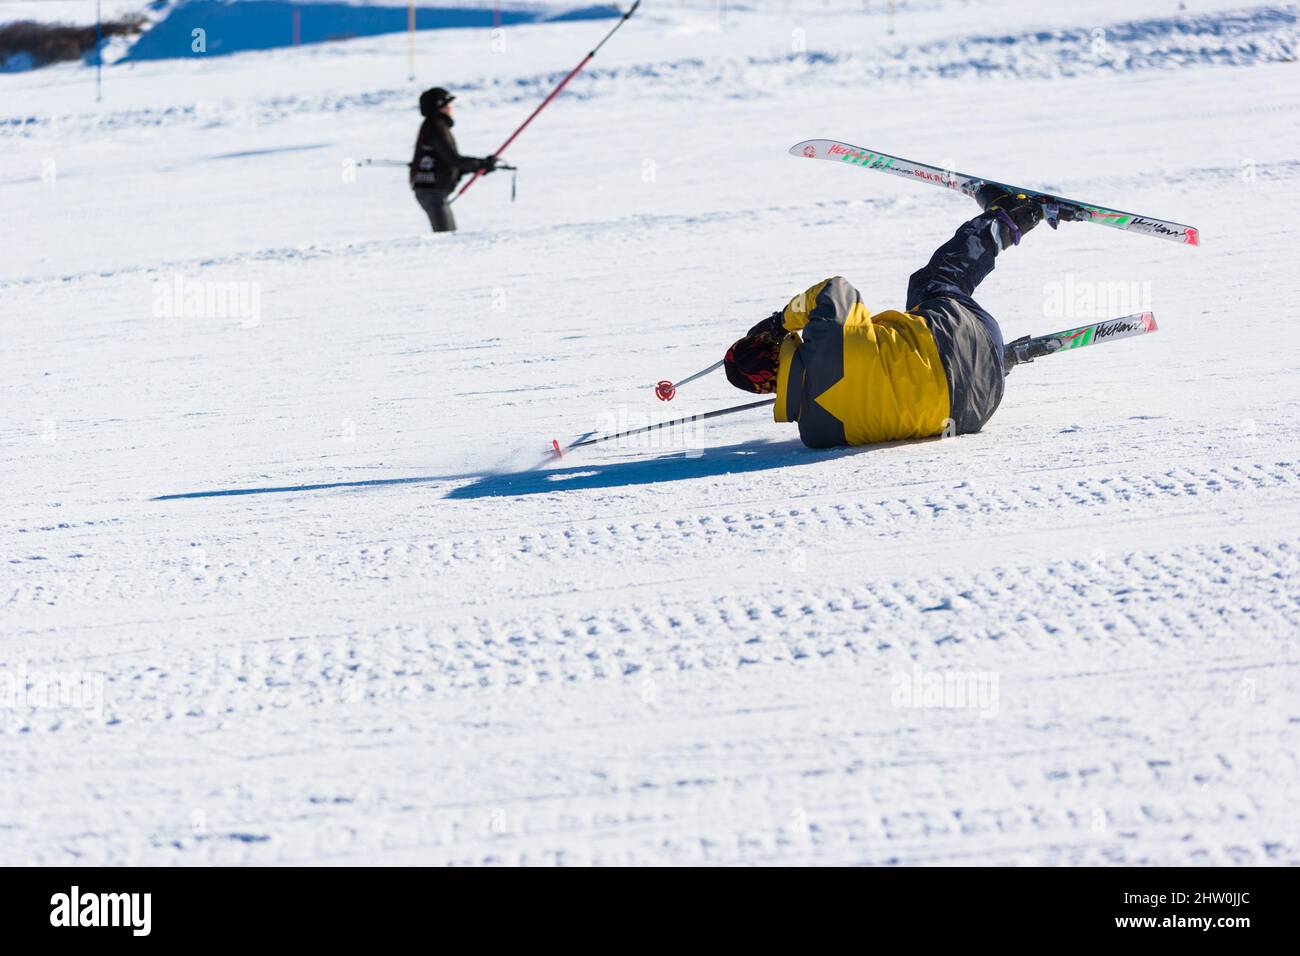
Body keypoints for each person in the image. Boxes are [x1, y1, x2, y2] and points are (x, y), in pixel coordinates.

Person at [722, 187, 1047, 448]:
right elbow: (835, 289)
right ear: (774, 346)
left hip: (977, 408)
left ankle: (996, 361)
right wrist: (781, 322)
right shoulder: (828, 336)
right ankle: (1010, 217)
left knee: (895, 382)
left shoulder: (815, 436)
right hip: (964, 333)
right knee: (930, 285)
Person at [409, 87, 498, 233]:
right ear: (440, 106)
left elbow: (447, 162)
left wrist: (479, 167)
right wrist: (481, 164)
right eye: (448, 104)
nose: (451, 108)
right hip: (432, 192)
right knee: (447, 238)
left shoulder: (432, 125)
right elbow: (453, 160)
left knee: (448, 235)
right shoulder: (436, 126)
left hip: (431, 190)